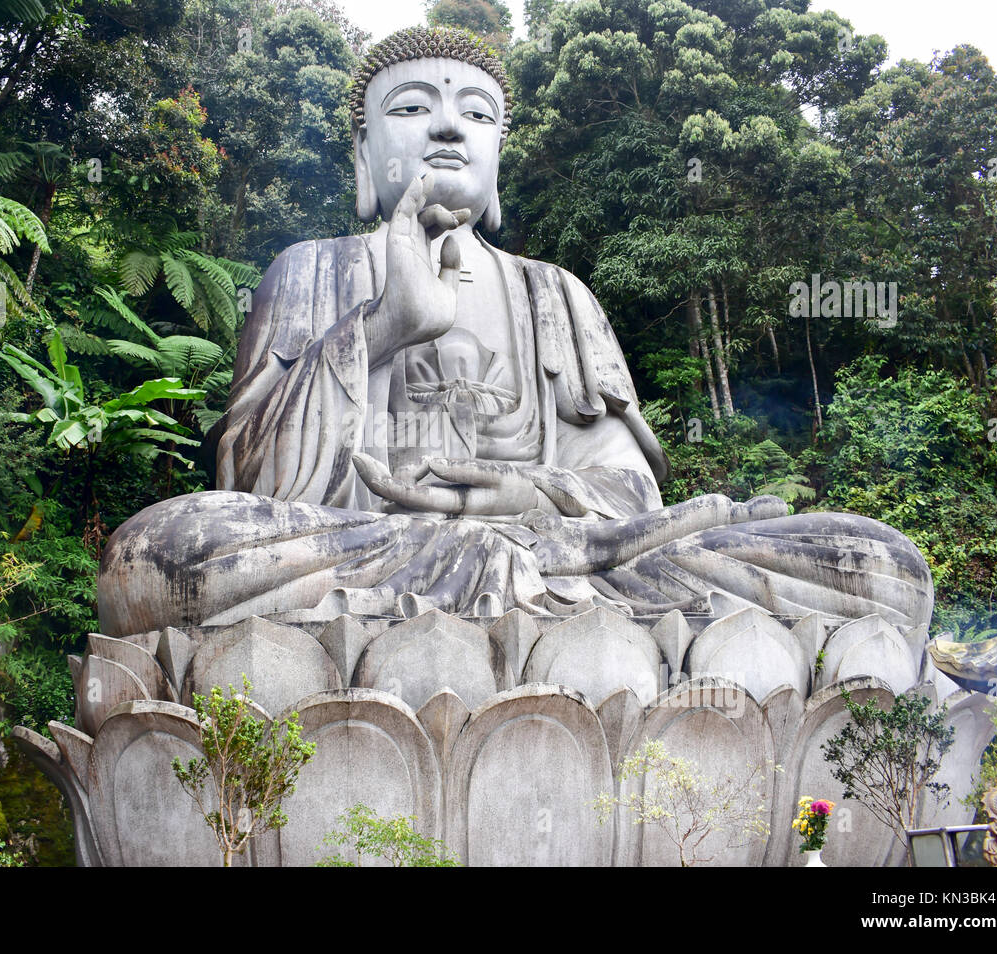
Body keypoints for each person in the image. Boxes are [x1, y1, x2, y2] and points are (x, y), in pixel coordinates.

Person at [98, 27, 932, 635]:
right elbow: (254, 486)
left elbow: (631, 496)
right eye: (413, 106)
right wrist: (382, 328)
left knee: (877, 564)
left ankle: (522, 601)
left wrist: (529, 498)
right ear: (363, 150)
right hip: (367, 553)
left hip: (567, 561)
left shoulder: (555, 294)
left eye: (478, 113)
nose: (449, 128)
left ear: (499, 149)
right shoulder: (310, 271)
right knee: (163, 555)